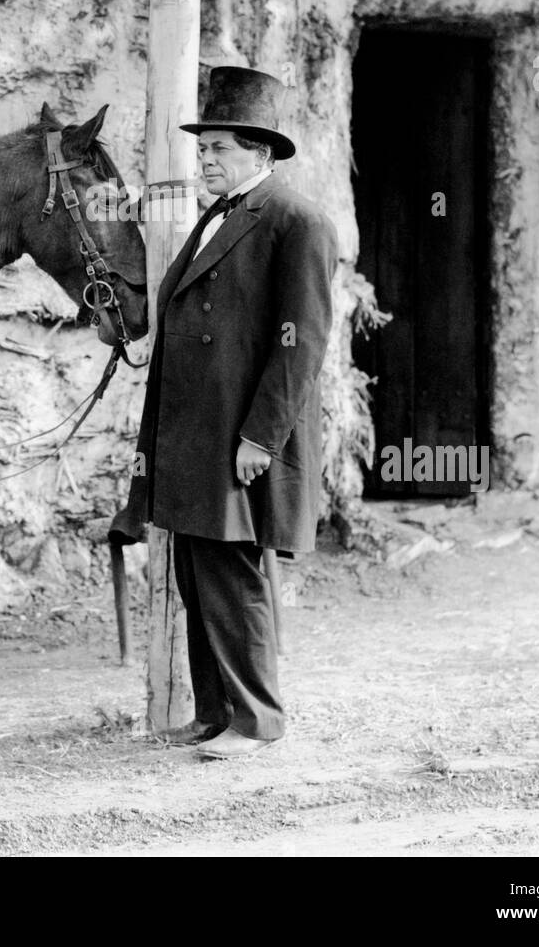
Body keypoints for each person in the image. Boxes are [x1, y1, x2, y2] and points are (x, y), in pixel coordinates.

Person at [111, 65, 339, 760]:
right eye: (202, 148)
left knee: (234, 579)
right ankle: (214, 713)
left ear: (260, 152)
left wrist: (260, 439)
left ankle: (257, 720)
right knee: (198, 574)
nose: (205, 159)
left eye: (219, 149)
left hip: (240, 434)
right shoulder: (220, 215)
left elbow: (301, 344)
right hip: (193, 432)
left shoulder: (296, 221)